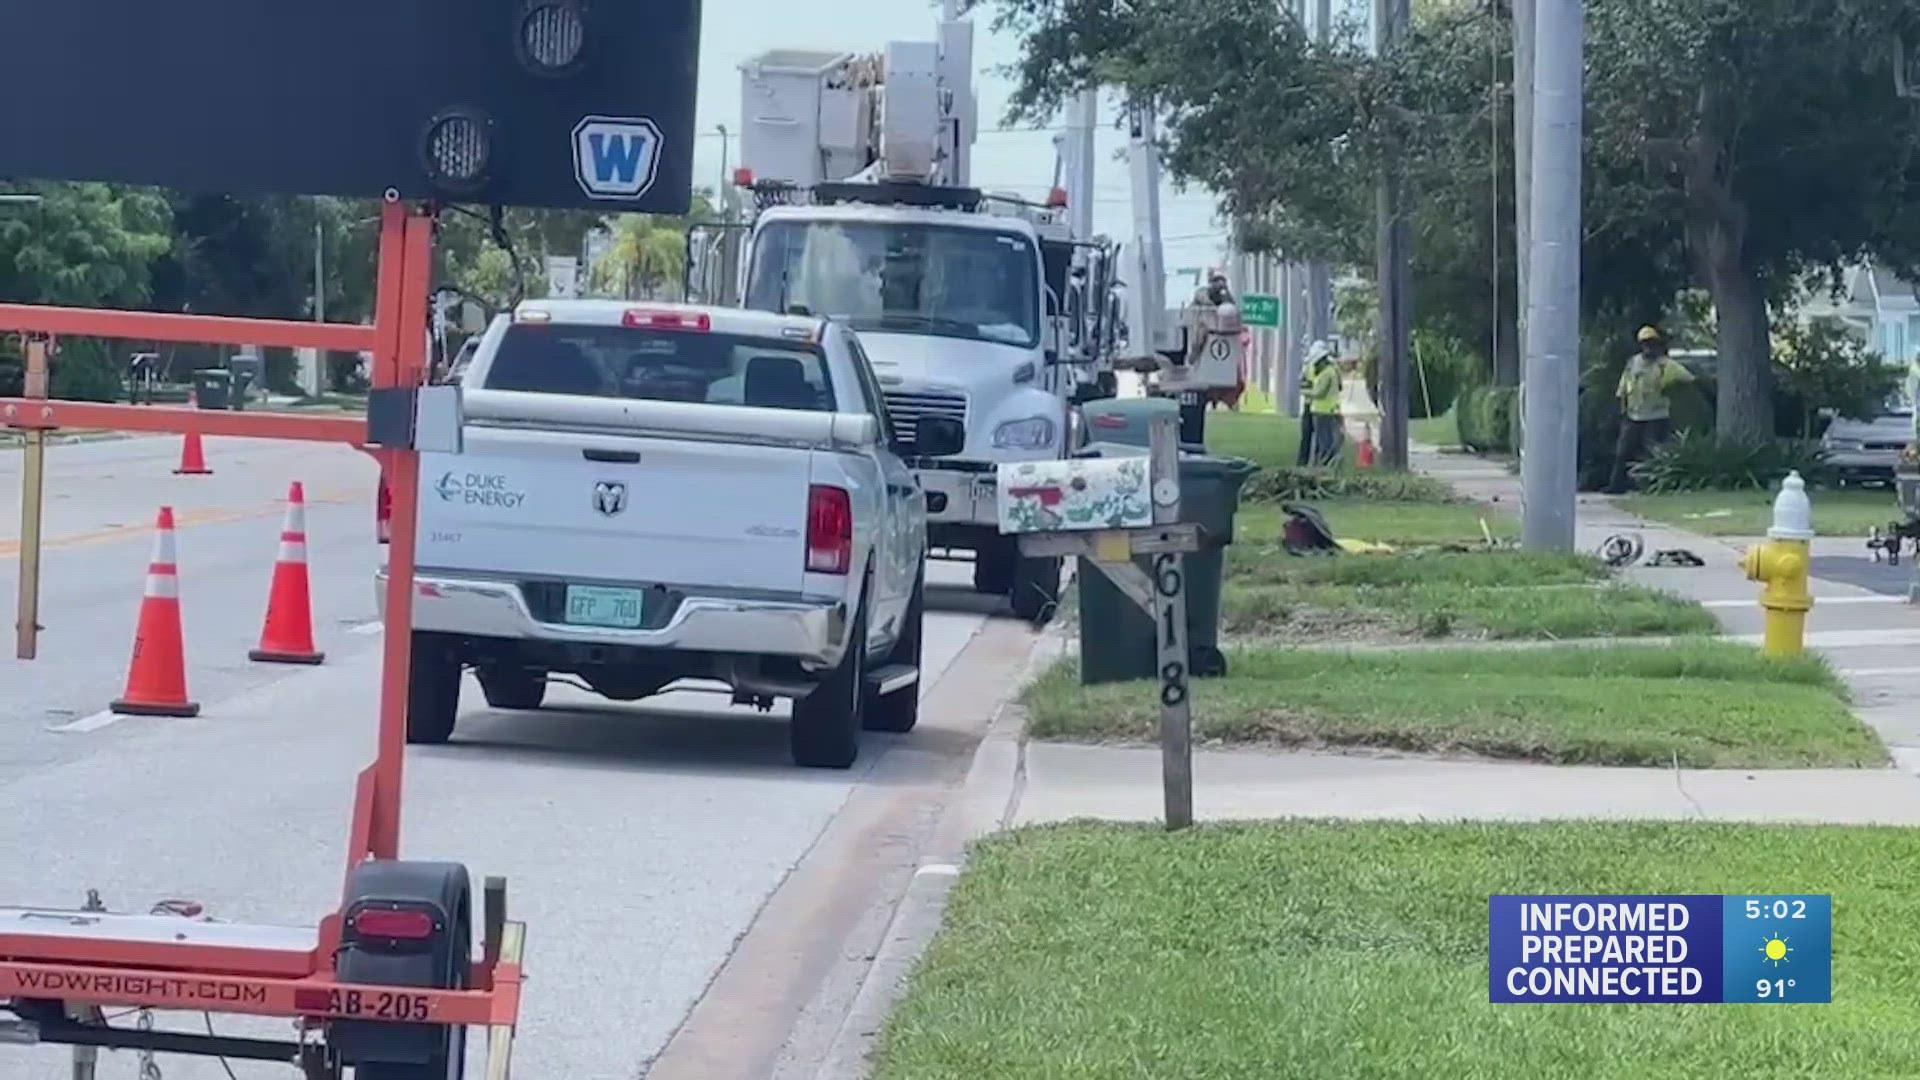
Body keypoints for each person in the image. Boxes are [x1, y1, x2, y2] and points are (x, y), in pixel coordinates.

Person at [1606, 325, 1695, 494]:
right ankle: (1616, 486)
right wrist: (1622, 408)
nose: (1648, 347)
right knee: (1623, 452)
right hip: (1633, 415)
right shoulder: (1633, 363)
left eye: (1652, 343)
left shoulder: (1666, 364)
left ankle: (1650, 487)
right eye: (1645, 343)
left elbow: (1688, 378)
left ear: (1657, 345)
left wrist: (1672, 386)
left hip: (1656, 416)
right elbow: (1623, 387)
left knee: (1652, 454)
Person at [1306, 342, 1345, 465]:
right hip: (1323, 410)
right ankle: (1321, 464)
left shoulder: (1327, 373)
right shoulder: (1327, 370)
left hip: (1325, 411)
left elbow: (1319, 393)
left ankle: (1325, 464)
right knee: (1323, 441)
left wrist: (1305, 393)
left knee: (1325, 442)